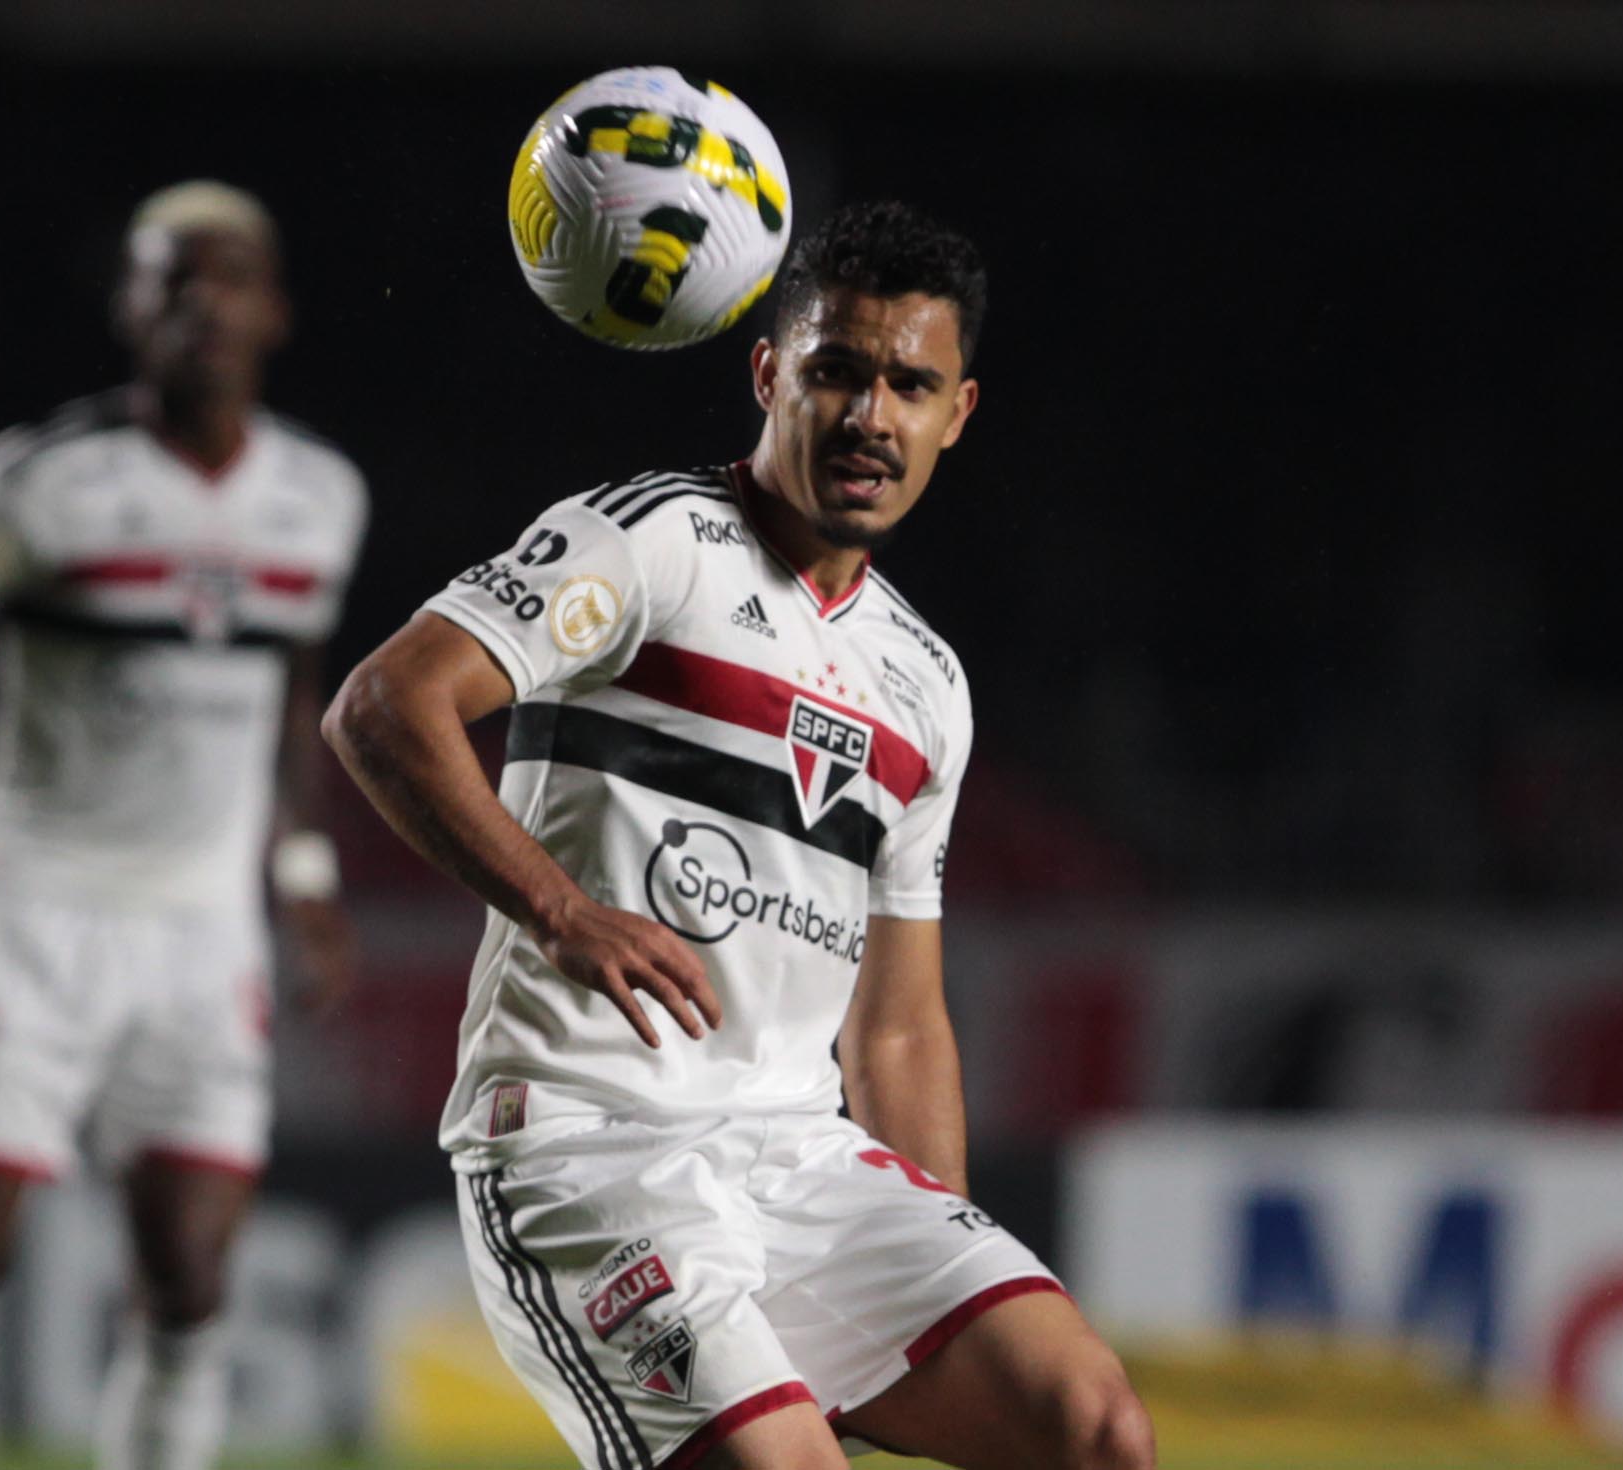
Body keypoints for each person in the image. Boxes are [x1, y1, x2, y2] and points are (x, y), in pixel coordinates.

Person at [324, 200, 1154, 1470]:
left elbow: (895, 1023)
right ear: (769, 375)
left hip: (797, 1154)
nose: (869, 415)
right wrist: (561, 906)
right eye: (836, 373)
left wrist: (932, 1261)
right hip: (587, 1144)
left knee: (1091, 1426)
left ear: (956, 414)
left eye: (908, 384)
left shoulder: (923, 683)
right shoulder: (650, 543)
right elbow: (386, 704)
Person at [0, 181, 368, 1470]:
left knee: (194, 1291)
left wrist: (303, 867)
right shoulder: (40, 483)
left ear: (272, 308)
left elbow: (289, 689)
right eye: (166, 277)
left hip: (201, 931)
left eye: (221, 276)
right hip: (36, 910)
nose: (194, 301)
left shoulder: (319, 499)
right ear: (127, 306)